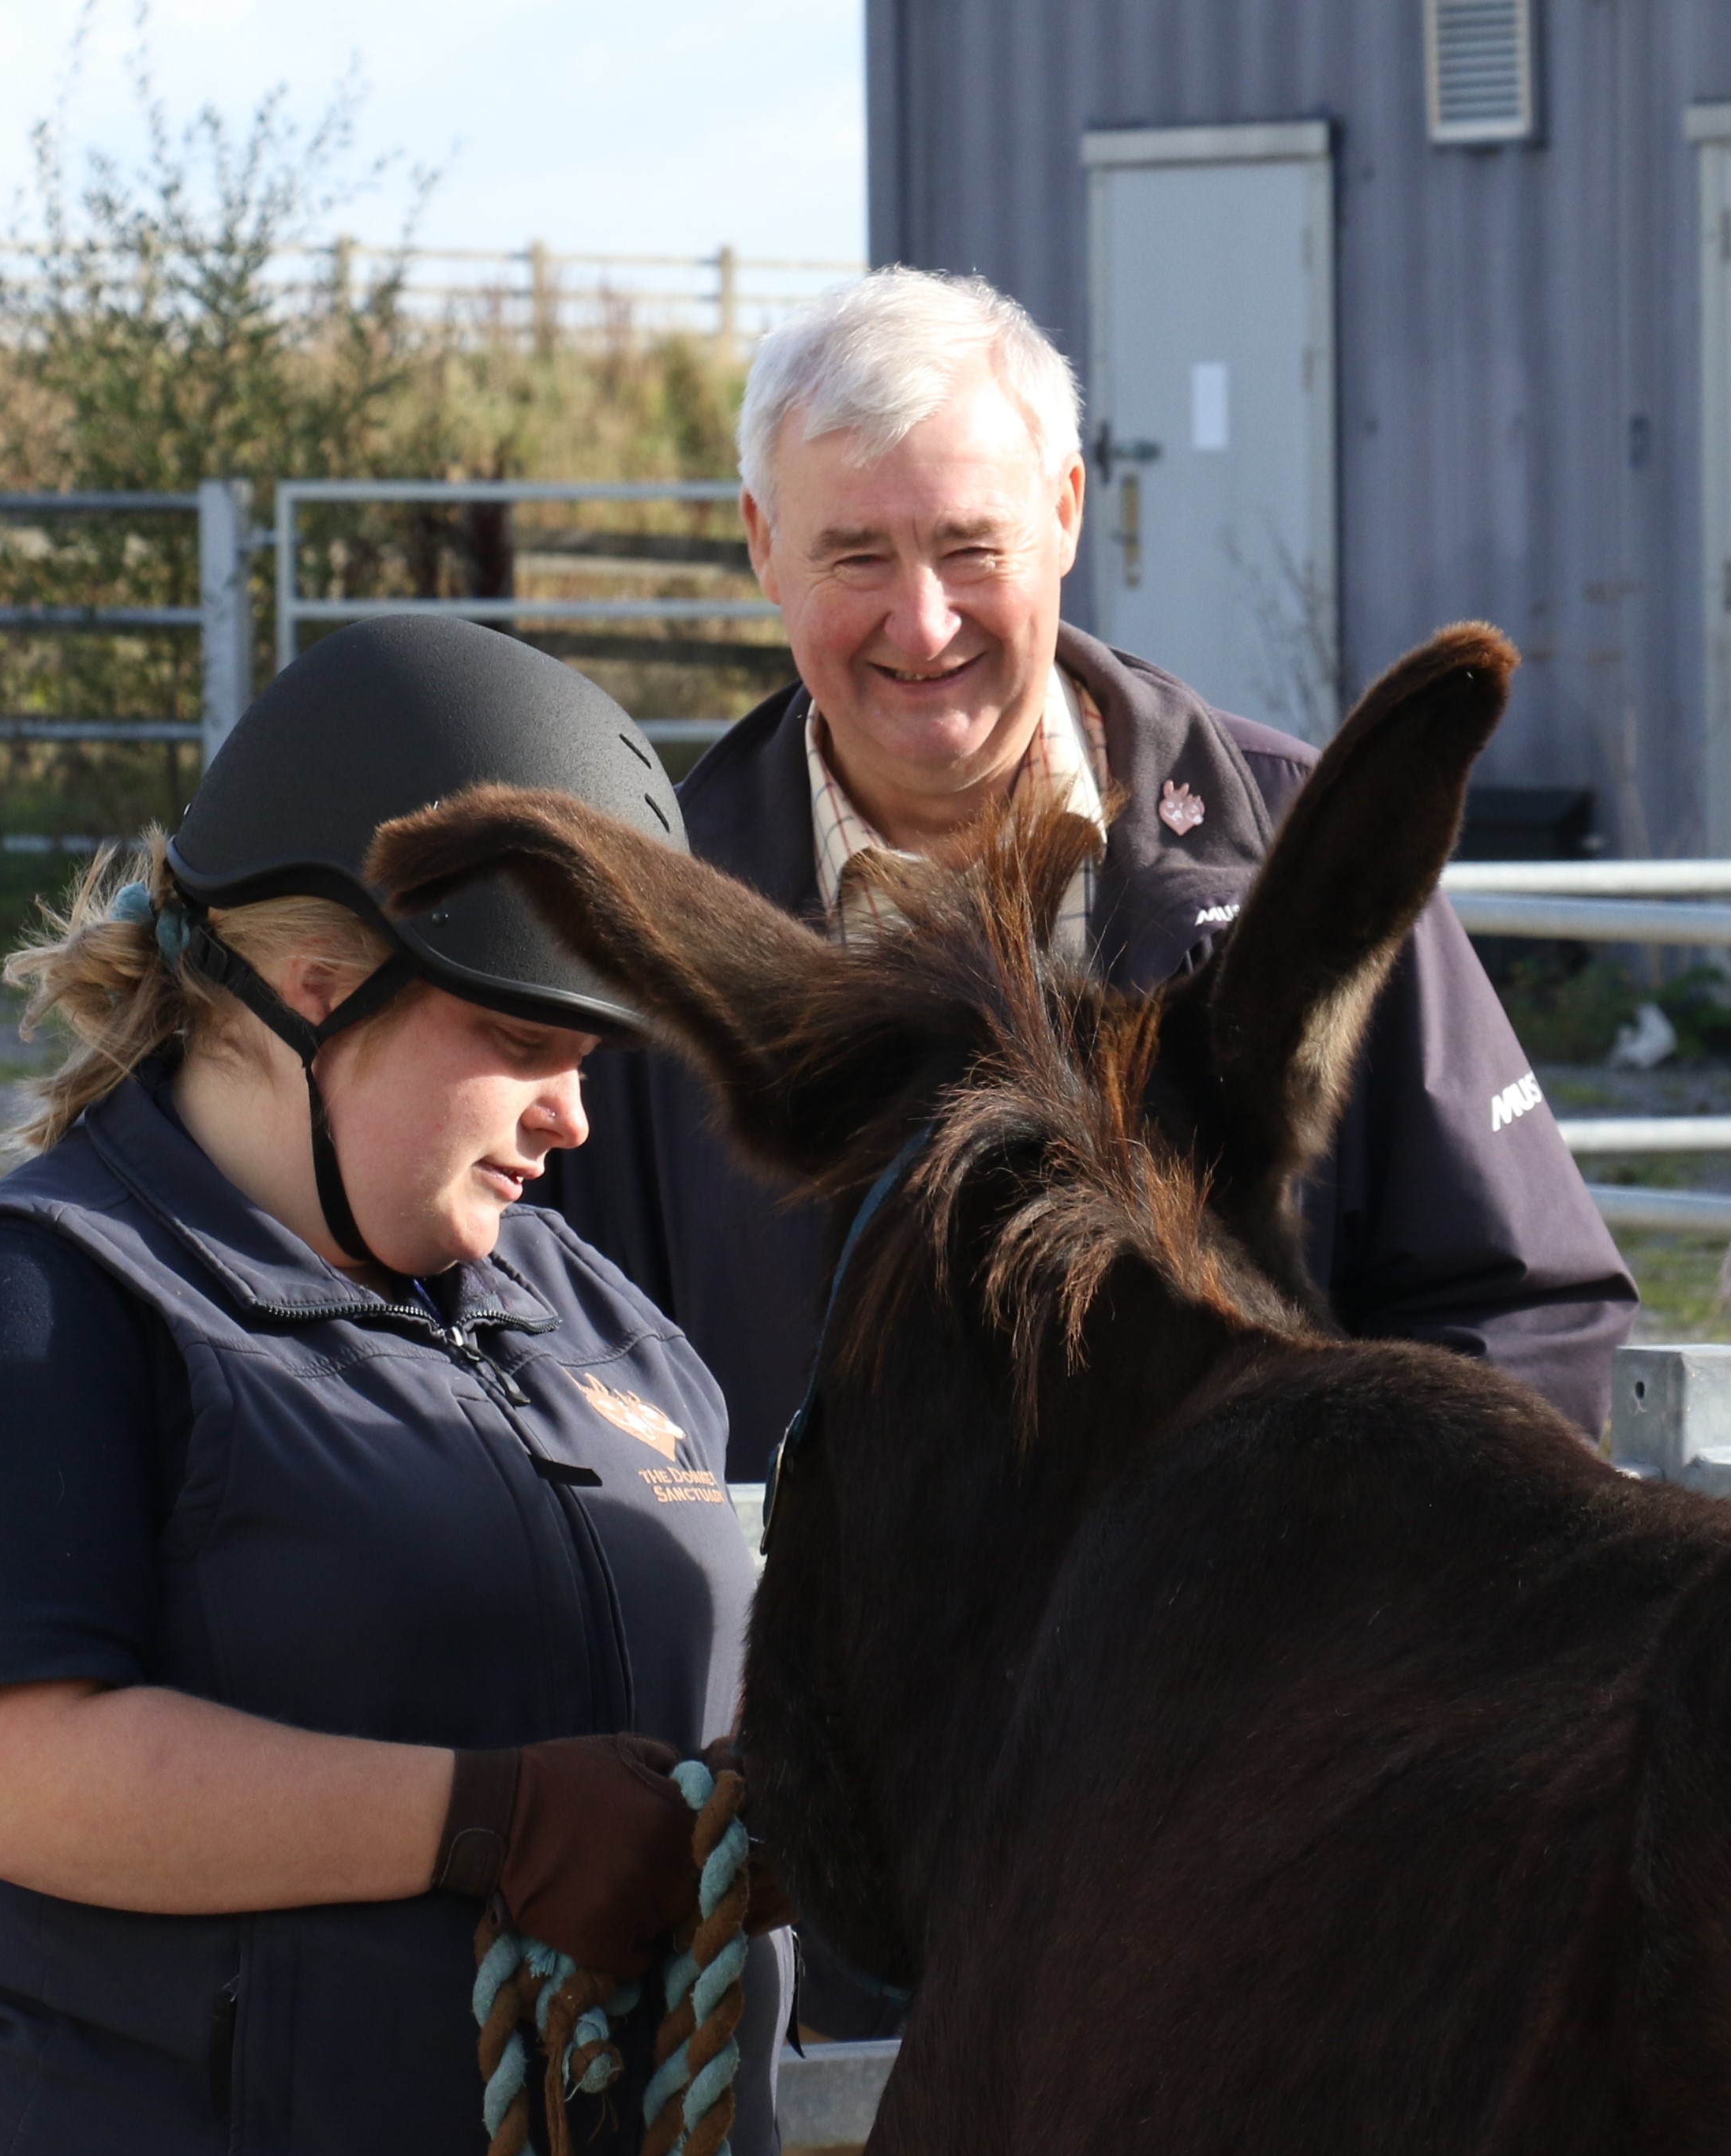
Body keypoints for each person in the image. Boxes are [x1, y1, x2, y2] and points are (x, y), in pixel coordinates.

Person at [0, 618, 781, 2156]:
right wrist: (487, 1820)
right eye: (524, 1041)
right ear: (313, 985)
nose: (573, 1114)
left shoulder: (600, 1320)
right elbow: (16, 1778)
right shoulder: (38, 1302)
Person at [535, 267, 1634, 1489]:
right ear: (762, 545)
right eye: (855, 557)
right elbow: (543, 1353)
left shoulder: (1290, 856)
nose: (922, 622)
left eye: (969, 547)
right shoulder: (644, 940)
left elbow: (1525, 1307)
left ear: (1063, 513)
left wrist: (1341, 1602)